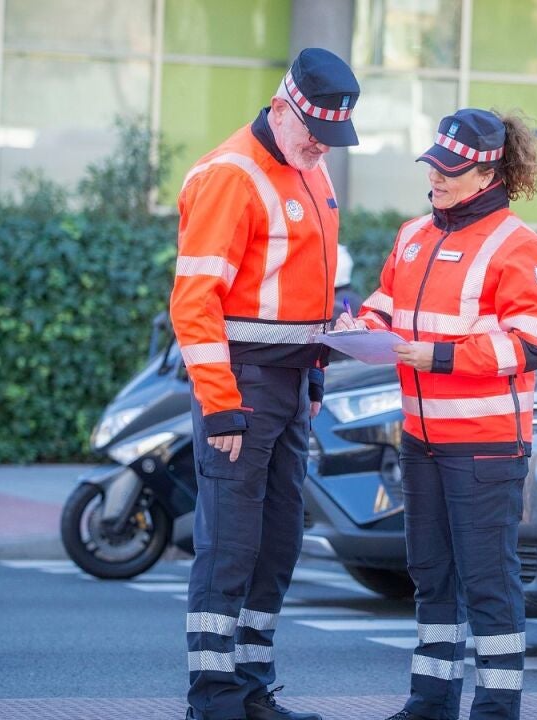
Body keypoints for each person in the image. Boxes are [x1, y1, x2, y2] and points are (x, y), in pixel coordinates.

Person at [339, 108, 537, 720]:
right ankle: (430, 702)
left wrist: (437, 356)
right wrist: (363, 328)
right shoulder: (413, 235)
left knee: (488, 583)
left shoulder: (521, 247)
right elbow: (387, 302)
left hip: (486, 445)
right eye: (433, 165)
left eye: (449, 170)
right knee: (431, 575)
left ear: (487, 172)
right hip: (422, 438)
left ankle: (496, 707)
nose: (435, 178)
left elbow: (531, 345)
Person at [169, 47, 360, 720]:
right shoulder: (231, 175)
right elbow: (194, 303)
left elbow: (302, 284)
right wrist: (220, 406)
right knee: (231, 548)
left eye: (330, 139)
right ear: (283, 108)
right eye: (313, 134)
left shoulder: (308, 164)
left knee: (278, 545)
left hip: (288, 383)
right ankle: (214, 698)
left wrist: (317, 359)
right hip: (242, 389)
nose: (320, 148)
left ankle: (251, 689)